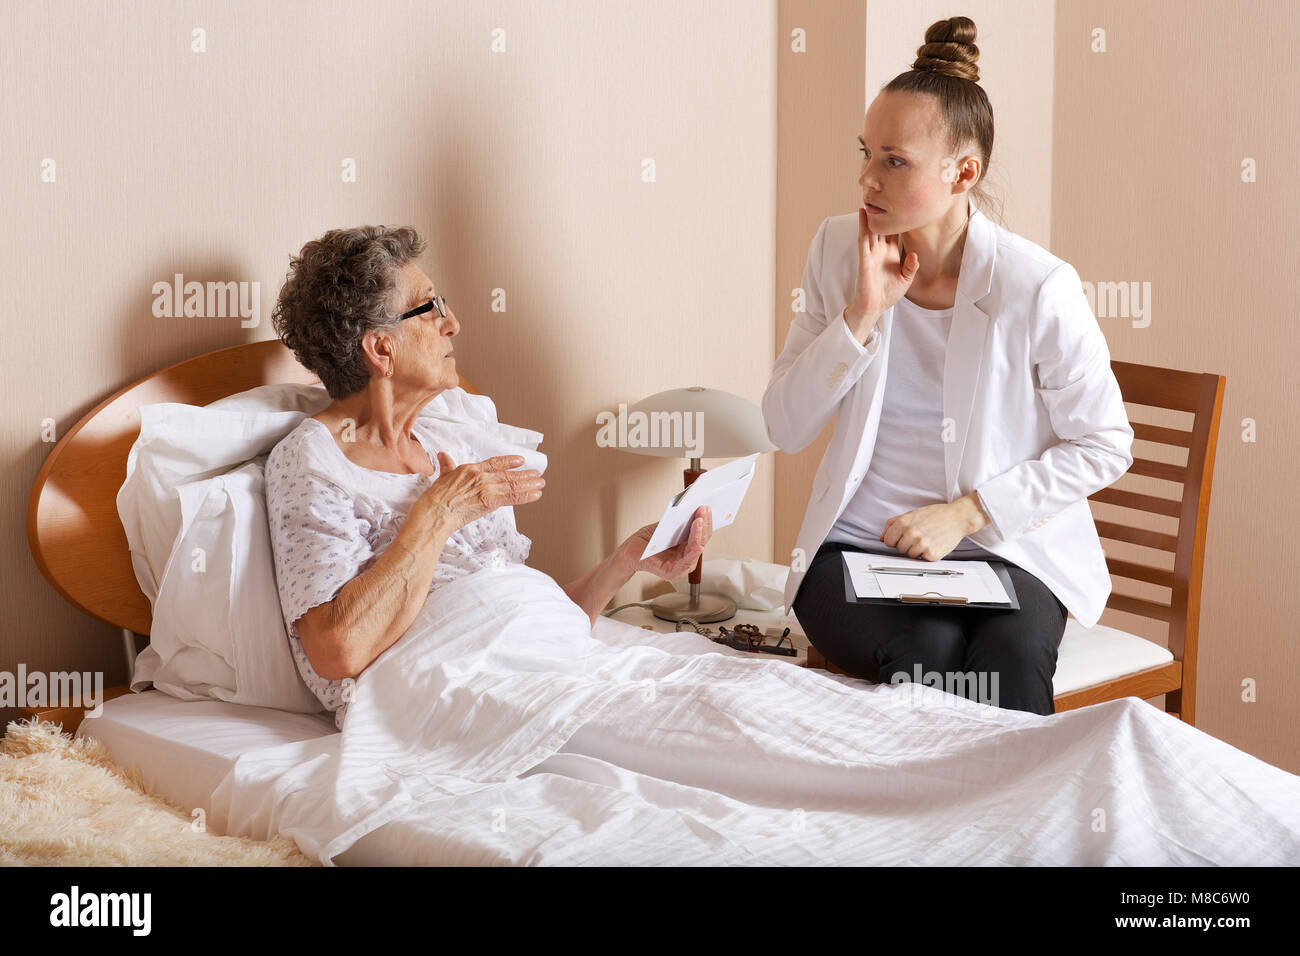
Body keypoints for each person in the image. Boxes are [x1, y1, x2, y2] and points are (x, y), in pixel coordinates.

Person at [763, 16, 1134, 715]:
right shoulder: (839, 250)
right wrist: (861, 317)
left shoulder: (1037, 286)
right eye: (866, 152)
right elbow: (784, 425)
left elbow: (1105, 443)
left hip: (1005, 549)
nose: (866, 178)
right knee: (928, 656)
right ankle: (923, 820)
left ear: (964, 171)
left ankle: (1012, 824)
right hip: (857, 546)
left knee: (1011, 668)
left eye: (893, 160)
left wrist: (967, 514)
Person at [265, 224, 711, 728]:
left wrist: (622, 564)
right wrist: (437, 514)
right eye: (429, 307)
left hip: (547, 668)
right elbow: (338, 651)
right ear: (380, 349)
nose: (451, 323)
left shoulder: (453, 445)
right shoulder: (311, 461)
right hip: (457, 698)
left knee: (738, 707)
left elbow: (524, 620)